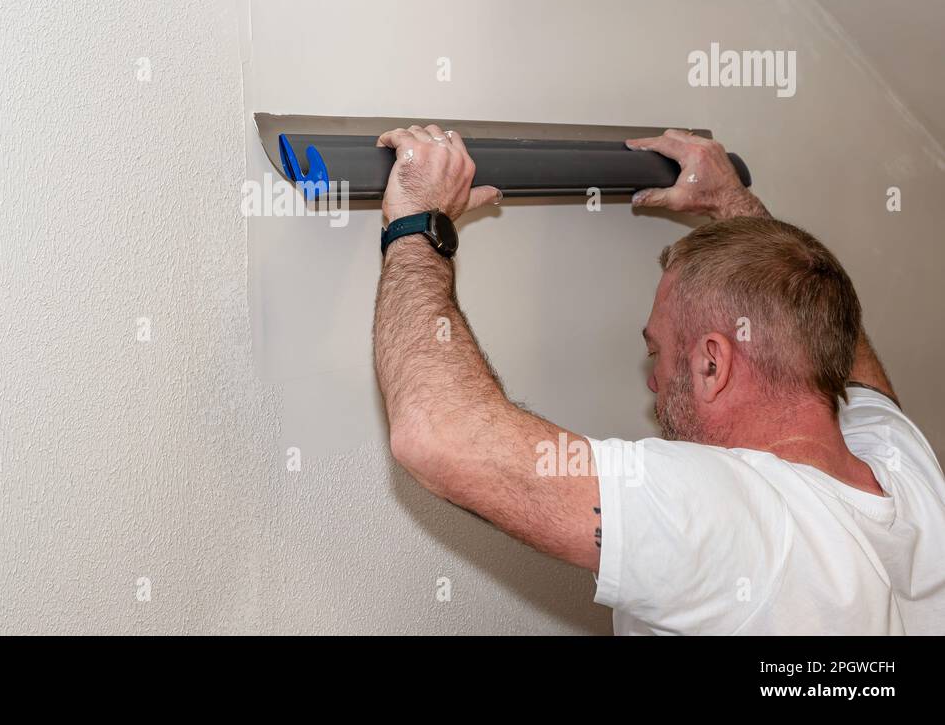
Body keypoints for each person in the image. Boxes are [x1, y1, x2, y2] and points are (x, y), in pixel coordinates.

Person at [373, 124, 945, 634]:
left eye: (659, 353)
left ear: (713, 364)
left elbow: (438, 435)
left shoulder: (734, 521)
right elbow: (836, 343)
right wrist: (732, 202)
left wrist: (417, 224)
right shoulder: (903, 468)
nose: (652, 381)